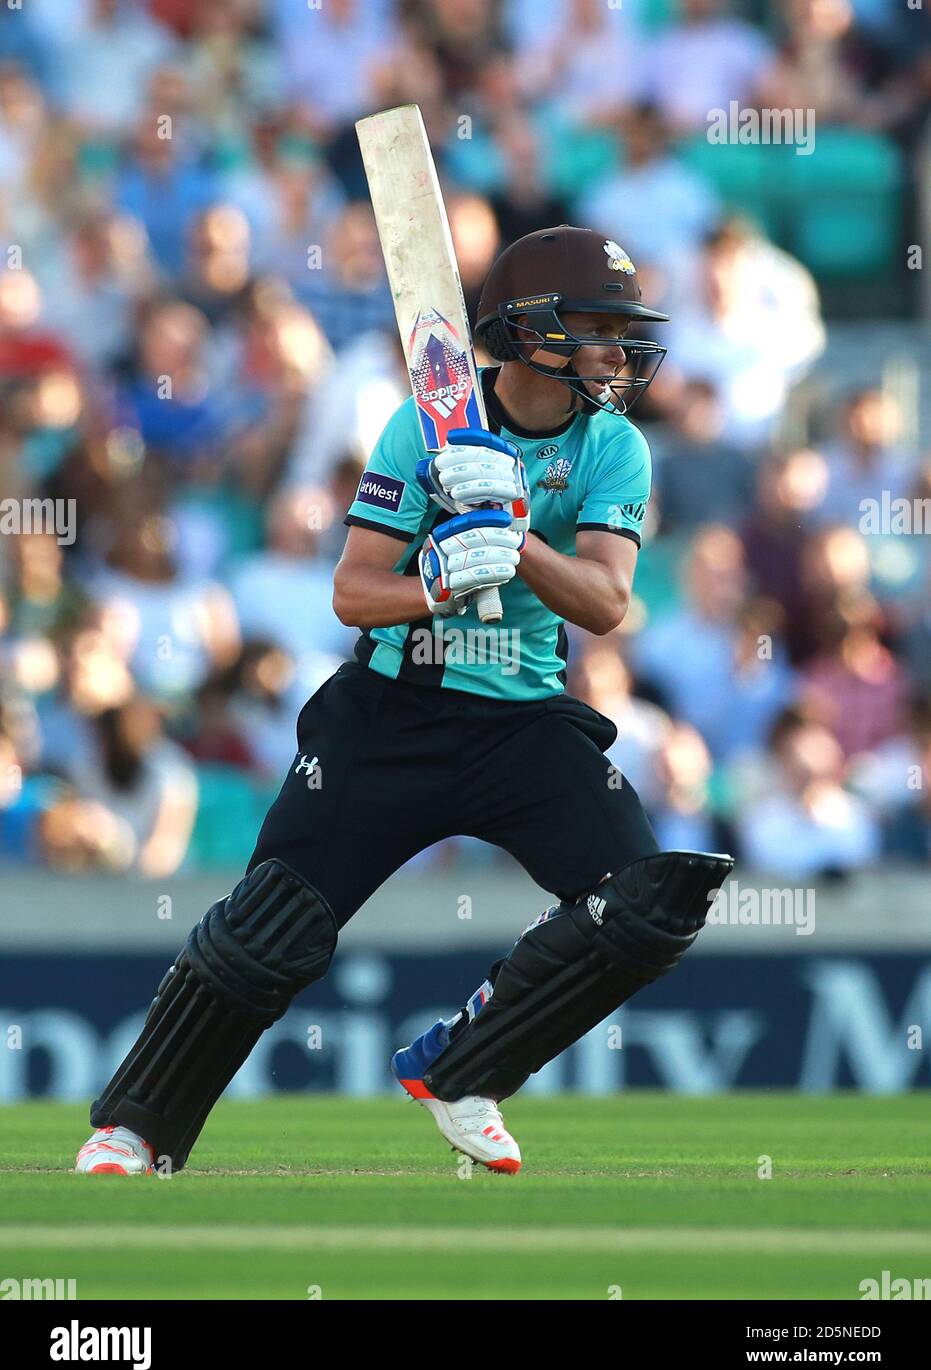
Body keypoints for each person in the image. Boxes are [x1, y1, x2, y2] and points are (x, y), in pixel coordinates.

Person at [75, 225, 732, 1178]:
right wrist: (435, 580)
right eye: (592, 326)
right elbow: (353, 593)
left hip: (523, 719)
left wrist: (513, 531)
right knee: (274, 929)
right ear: (525, 329)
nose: (615, 351)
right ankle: (133, 1128)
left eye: (619, 330)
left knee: (647, 904)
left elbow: (605, 603)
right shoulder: (417, 427)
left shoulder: (615, 447)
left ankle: (464, 1069)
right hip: (392, 708)